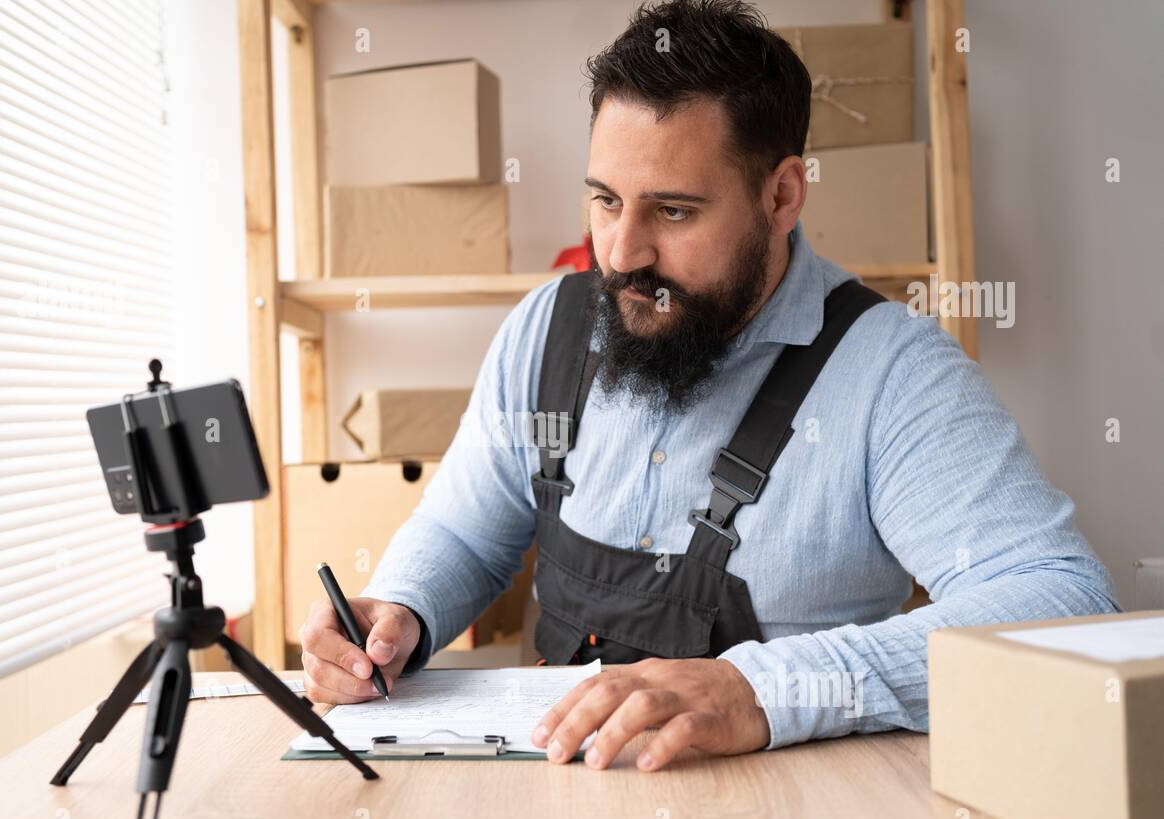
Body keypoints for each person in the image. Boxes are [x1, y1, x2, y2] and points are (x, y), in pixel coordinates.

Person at [296, 0, 1119, 771]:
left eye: (674, 212)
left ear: (782, 195)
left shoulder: (892, 376)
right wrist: (399, 610)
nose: (622, 252)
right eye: (606, 201)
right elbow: (468, 533)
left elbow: (1062, 605)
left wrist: (761, 688)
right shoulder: (547, 332)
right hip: (562, 801)